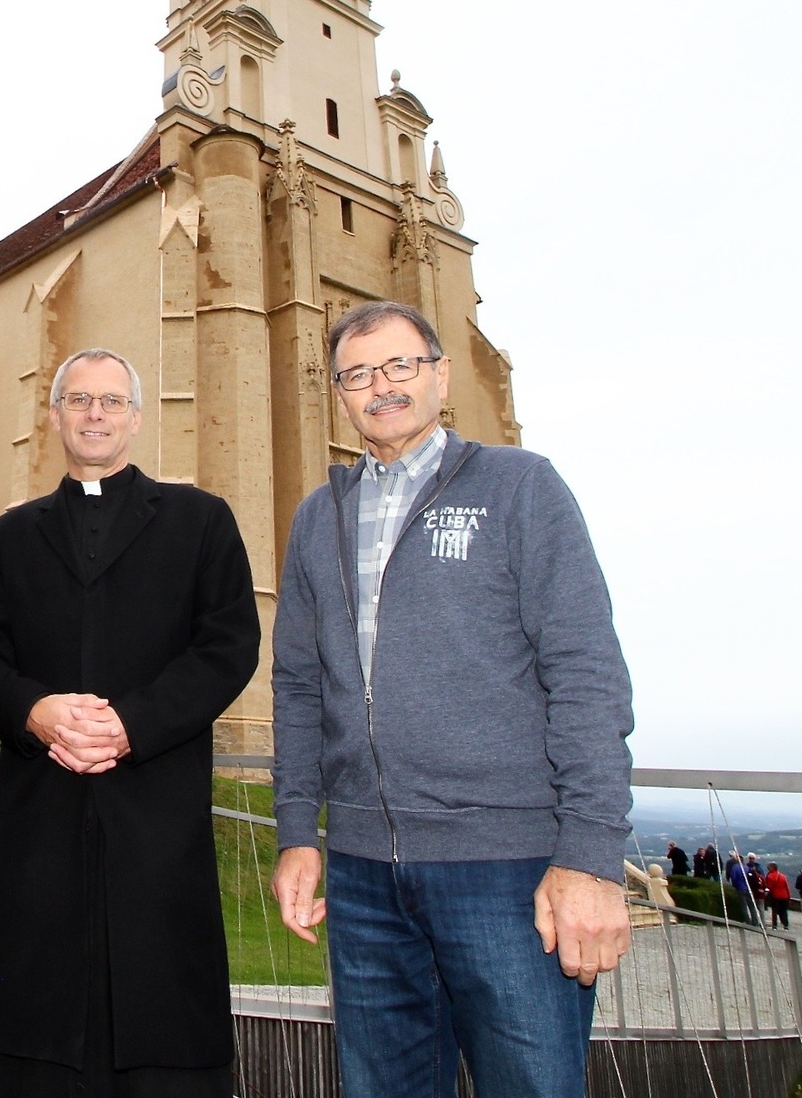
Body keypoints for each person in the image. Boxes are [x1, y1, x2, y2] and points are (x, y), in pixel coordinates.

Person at [269, 301, 635, 1097]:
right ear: (339, 393)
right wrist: (299, 830)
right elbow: (298, 685)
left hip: (505, 868)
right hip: (364, 876)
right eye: (358, 374)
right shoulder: (317, 517)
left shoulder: (519, 487)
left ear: (439, 374)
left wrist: (590, 855)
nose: (382, 386)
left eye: (401, 365)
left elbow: (586, 671)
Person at [0, 348, 261, 1097]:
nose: (96, 413)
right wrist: (35, 709)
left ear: (136, 416)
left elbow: (229, 645)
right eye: (80, 399)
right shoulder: (12, 534)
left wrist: (130, 724)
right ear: (55, 414)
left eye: (112, 401)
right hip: (46, 819)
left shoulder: (200, 521)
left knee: (164, 1021)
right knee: (41, 1034)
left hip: (157, 817)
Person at [726, 854, 759, 926]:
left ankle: (748, 922)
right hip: (748, 888)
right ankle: (755, 921)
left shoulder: (734, 868)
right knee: (752, 906)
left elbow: (733, 878)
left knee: (743, 906)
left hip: (740, 888)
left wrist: (735, 886)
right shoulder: (746, 867)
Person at [763, 862, 792, 930]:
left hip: (775, 896)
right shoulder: (783, 876)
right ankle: (786, 925)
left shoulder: (770, 876)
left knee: (775, 911)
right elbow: (787, 887)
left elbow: (769, 887)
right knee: (784, 911)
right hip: (784, 896)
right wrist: (788, 896)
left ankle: (775, 925)